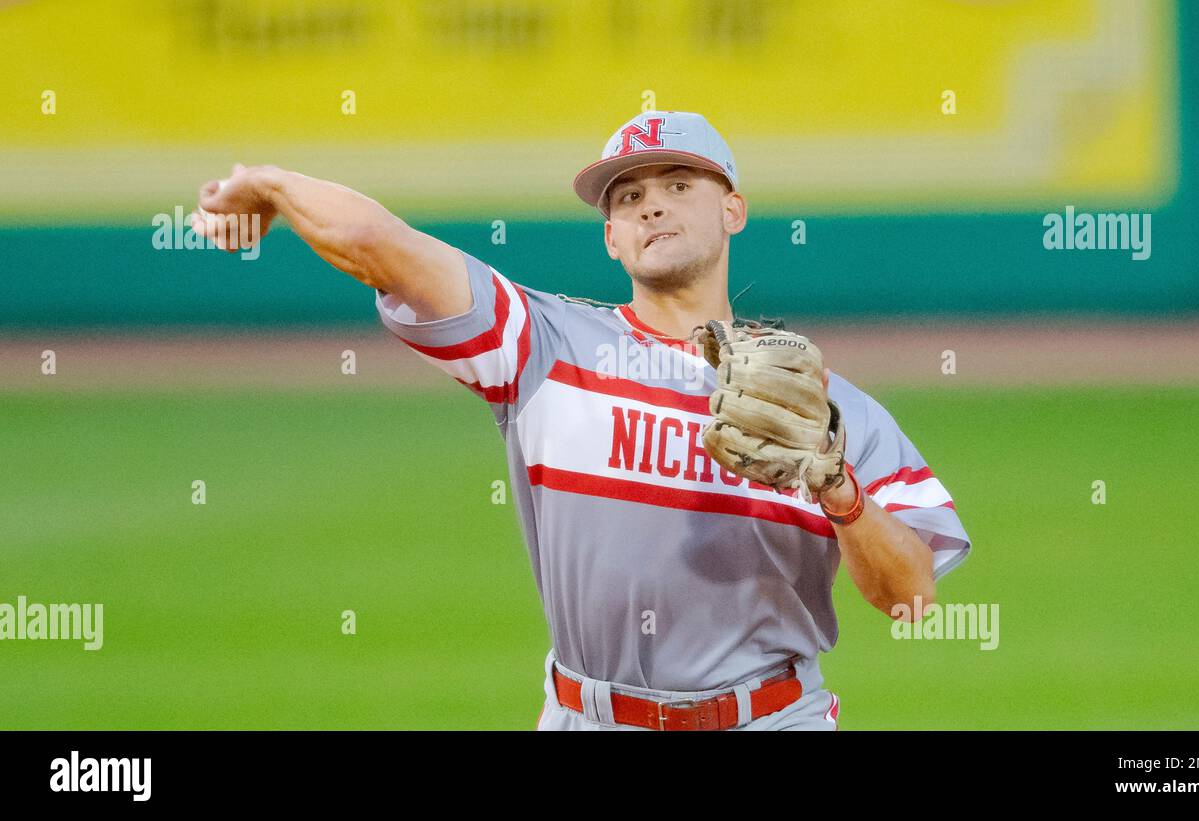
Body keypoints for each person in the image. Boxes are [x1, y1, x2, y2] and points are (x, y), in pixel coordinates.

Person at [191, 110, 971, 731]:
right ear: (610, 238)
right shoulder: (539, 345)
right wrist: (271, 183)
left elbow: (910, 596)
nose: (651, 203)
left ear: (733, 208)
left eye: (677, 183)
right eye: (627, 198)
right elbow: (382, 245)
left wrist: (836, 483)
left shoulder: (825, 405)